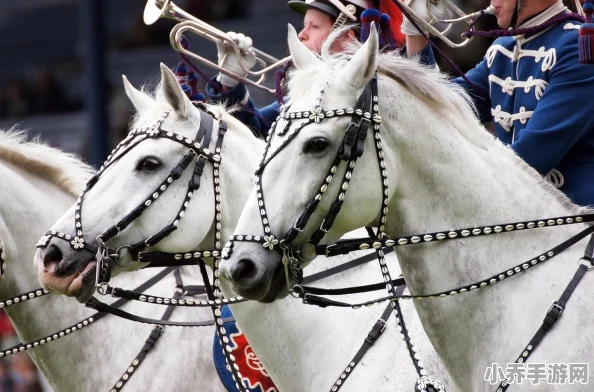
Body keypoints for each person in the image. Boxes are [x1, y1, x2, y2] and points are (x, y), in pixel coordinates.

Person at [402, 0, 594, 207]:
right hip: (521, 213)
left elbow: (531, 158)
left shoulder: (576, 47)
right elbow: (438, 107)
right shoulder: (503, 48)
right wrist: (415, 31)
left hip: (578, 221)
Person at [206, 0, 405, 138]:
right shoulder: (303, 99)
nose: (301, 34)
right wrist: (228, 82)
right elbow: (253, 136)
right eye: (304, 25)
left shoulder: (384, 93)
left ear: (346, 38)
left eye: (315, 26)